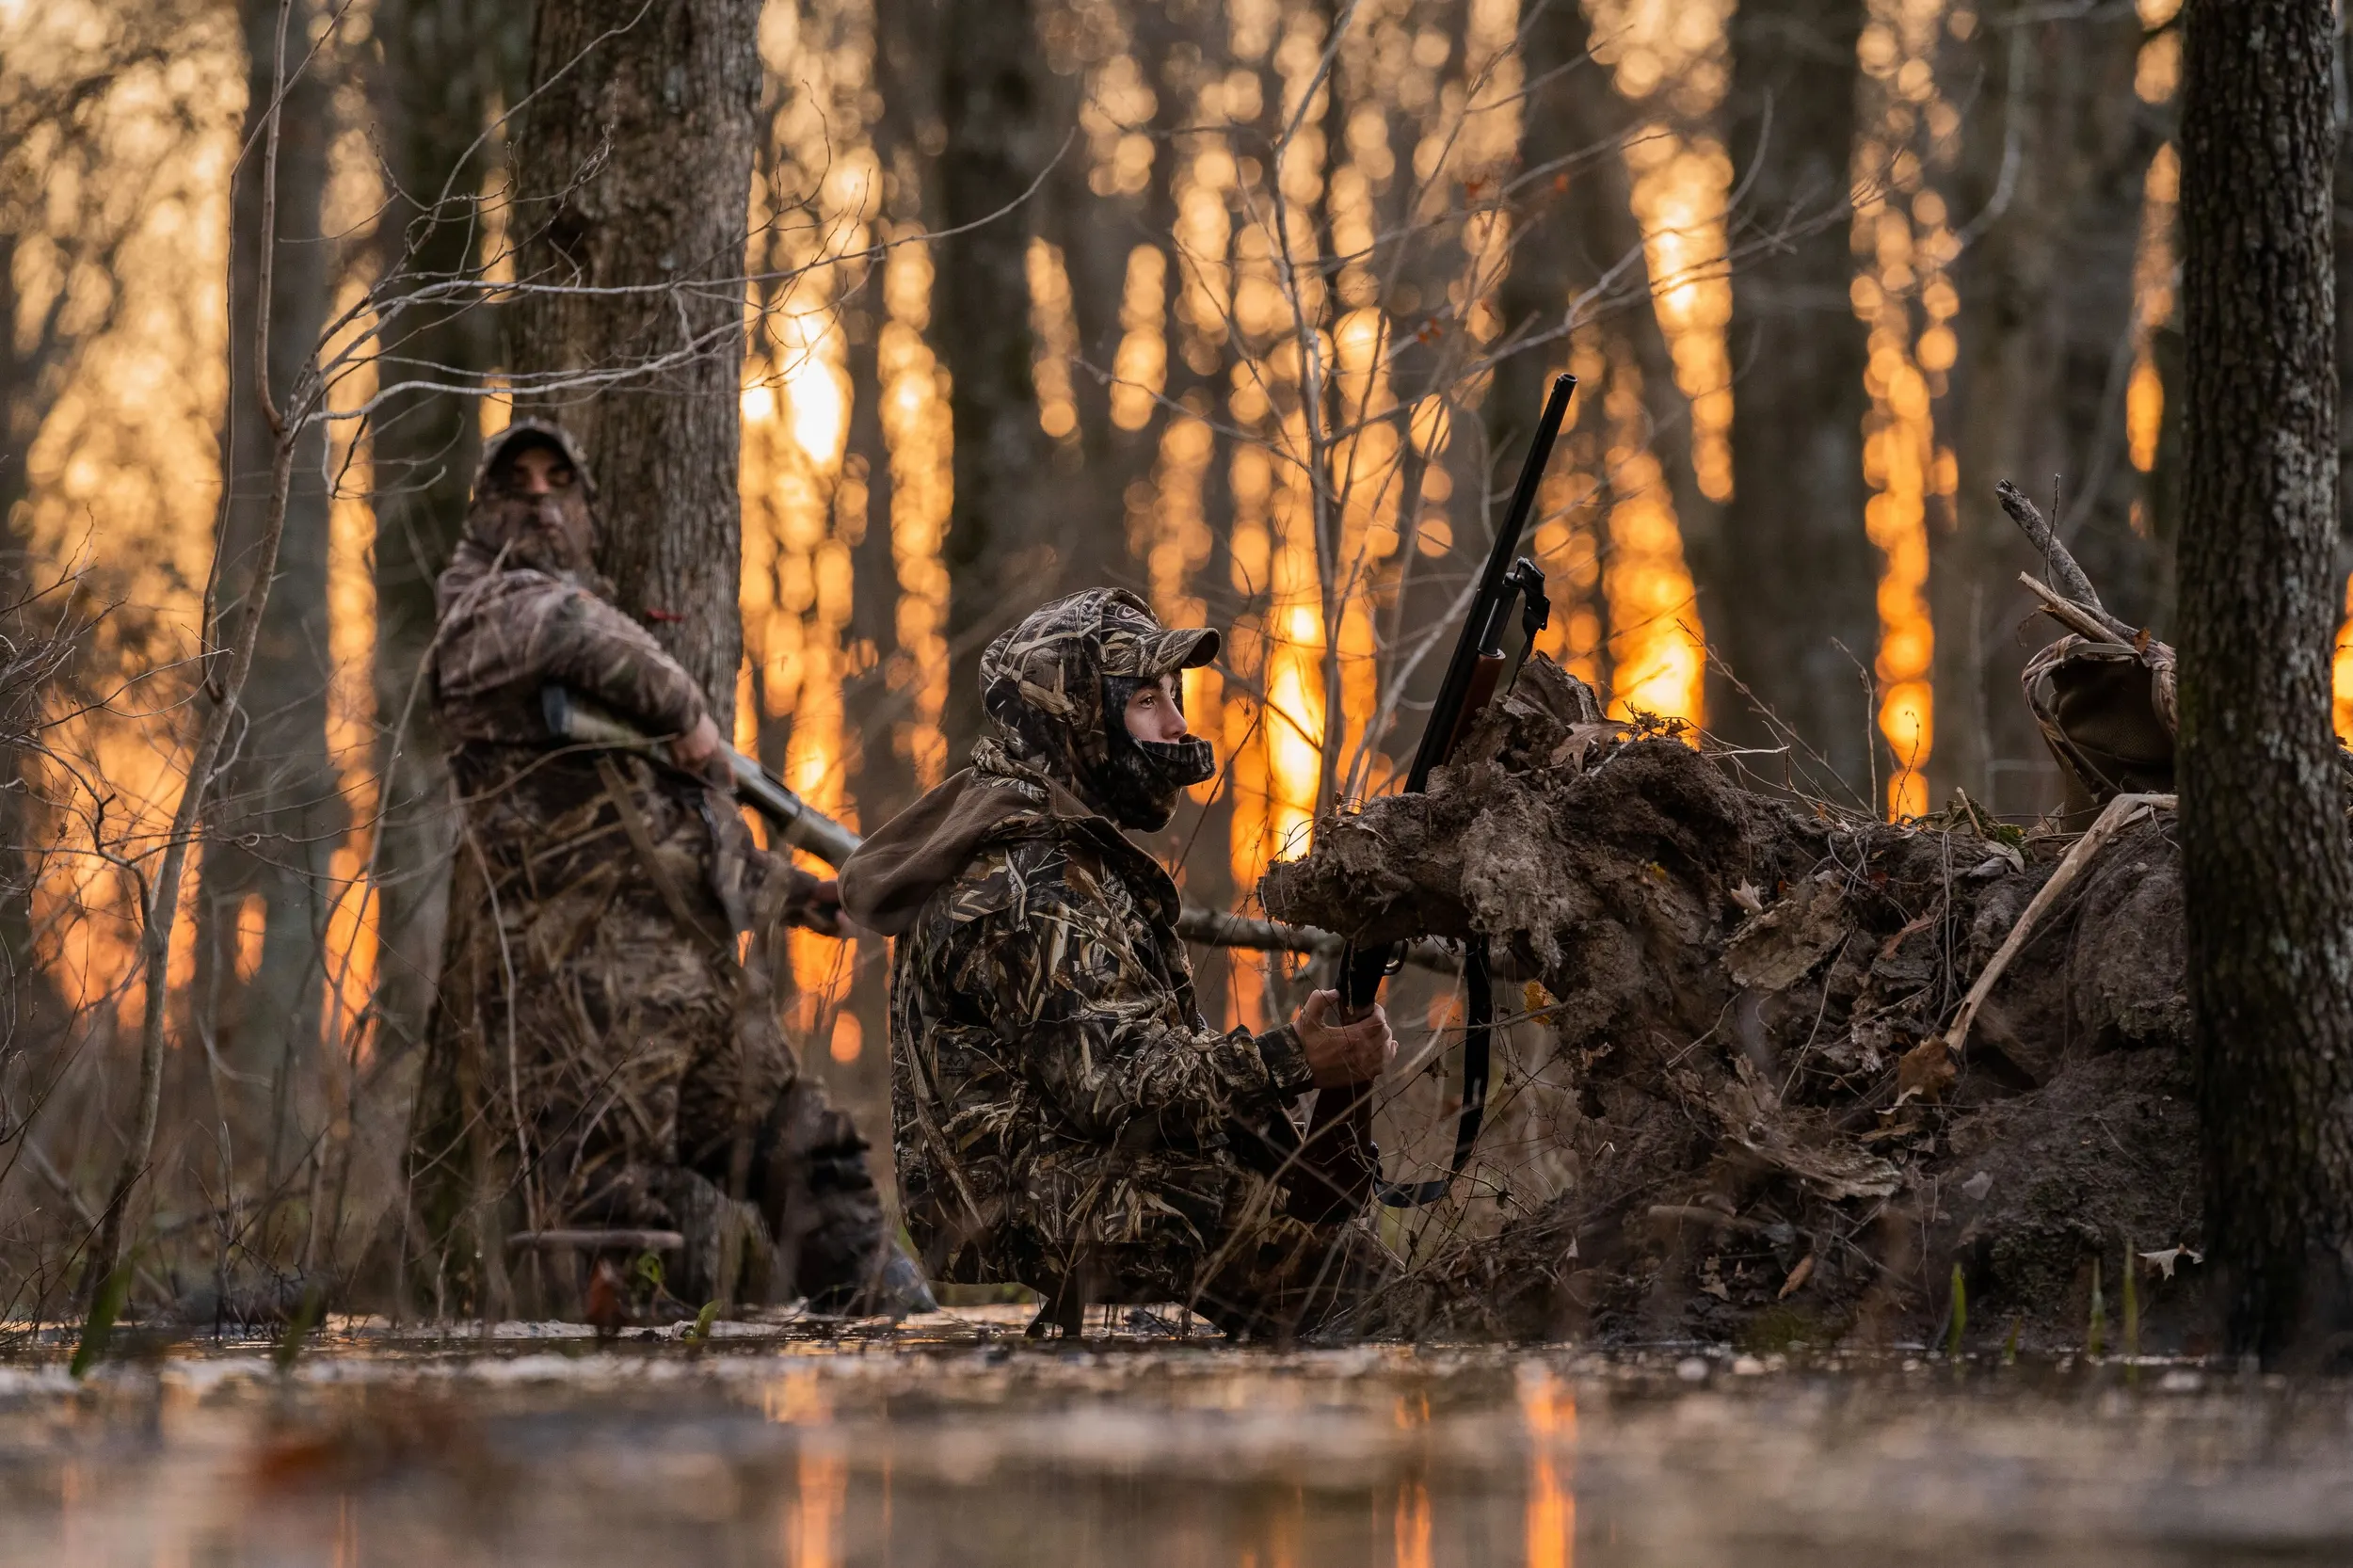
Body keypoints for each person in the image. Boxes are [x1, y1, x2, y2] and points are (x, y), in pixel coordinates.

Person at [405, 420, 922, 1319]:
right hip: (584, 1004)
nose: (536, 496)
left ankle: (899, 1374)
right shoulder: (484, 610)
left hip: (697, 998)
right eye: (515, 481)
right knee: (613, 1251)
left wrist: (794, 893)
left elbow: (668, 836)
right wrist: (690, 716)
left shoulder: (600, 648)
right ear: (483, 511)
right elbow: (565, 626)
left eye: (556, 480)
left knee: (817, 1167)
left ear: (585, 508)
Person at [839, 588, 1398, 1338]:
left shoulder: (1056, 856)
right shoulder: (1029, 881)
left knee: (1331, 1257)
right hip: (1048, 1197)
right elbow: (1123, 1085)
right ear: (1074, 717)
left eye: (1173, 696)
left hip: (1073, 1177)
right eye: (1144, 700)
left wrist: (1287, 1066)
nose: (1176, 724)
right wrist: (1291, 1059)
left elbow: (1127, 1061)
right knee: (1366, 1297)